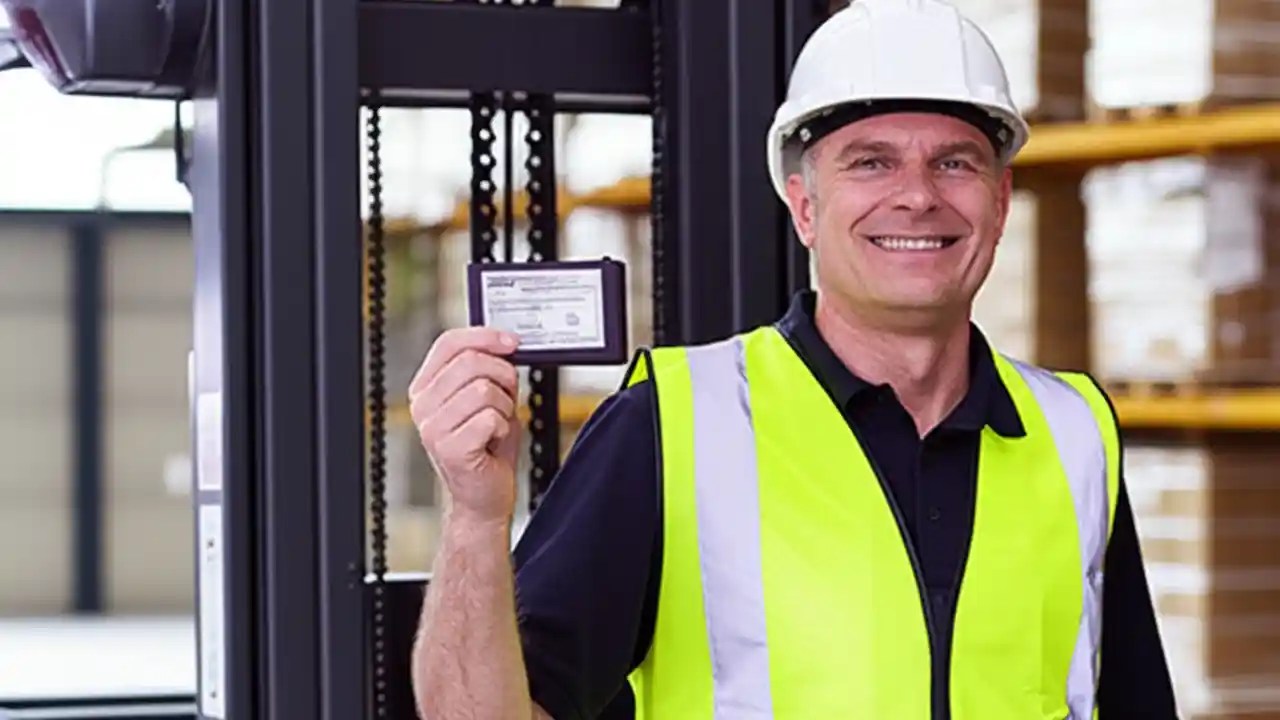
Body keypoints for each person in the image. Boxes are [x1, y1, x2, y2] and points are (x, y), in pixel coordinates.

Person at [406, 0, 1180, 717]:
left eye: (955, 163)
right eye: (870, 162)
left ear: (1001, 202)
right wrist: (476, 520)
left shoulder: (1075, 432)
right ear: (804, 206)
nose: (917, 196)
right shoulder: (672, 427)